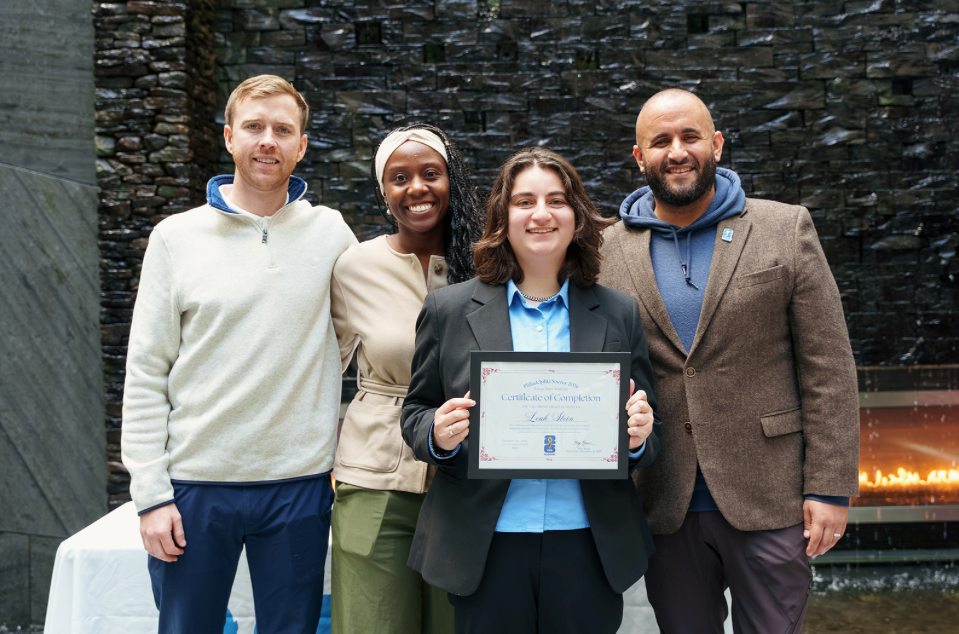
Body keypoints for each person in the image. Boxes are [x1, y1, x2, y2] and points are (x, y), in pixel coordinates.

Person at [598, 88, 859, 634]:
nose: (677, 151)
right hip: (664, 501)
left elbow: (828, 368)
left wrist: (830, 488)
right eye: (660, 141)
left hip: (770, 495)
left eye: (690, 136)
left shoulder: (785, 228)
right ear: (638, 156)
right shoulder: (603, 249)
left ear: (715, 143)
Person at [121, 75, 356, 633]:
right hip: (196, 486)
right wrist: (150, 496)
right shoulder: (175, 238)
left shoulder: (331, 233)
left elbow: (357, 333)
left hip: (298, 483)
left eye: (282, 129)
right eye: (254, 127)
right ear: (229, 137)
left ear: (301, 145)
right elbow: (146, 372)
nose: (267, 140)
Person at [401, 146, 662, 634]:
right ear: (503, 216)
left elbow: (648, 429)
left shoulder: (618, 313)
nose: (541, 214)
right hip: (485, 542)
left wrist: (639, 435)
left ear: (577, 216)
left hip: (588, 541)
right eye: (524, 202)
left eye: (557, 200)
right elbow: (415, 411)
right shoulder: (448, 311)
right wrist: (436, 432)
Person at [328, 124, 483, 634]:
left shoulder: (489, 262)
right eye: (400, 177)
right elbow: (321, 369)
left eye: (430, 174)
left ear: (451, 180)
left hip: (465, 481)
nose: (416, 188)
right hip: (375, 478)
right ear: (384, 190)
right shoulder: (354, 266)